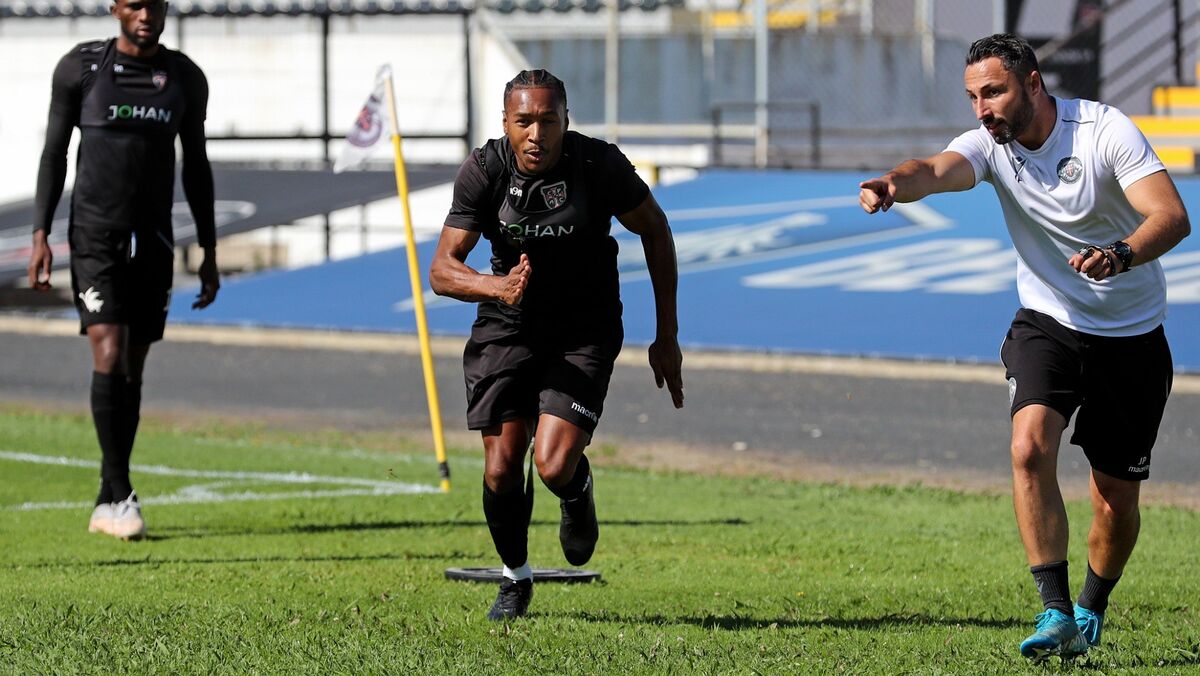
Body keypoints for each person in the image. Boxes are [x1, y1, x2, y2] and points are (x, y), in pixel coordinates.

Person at [860, 33, 1190, 661]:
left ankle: (1092, 604)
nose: (982, 109)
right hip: (1049, 321)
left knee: (1115, 501)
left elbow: (1170, 216)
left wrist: (1120, 255)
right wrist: (893, 183)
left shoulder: (1103, 130)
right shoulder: (989, 145)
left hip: (1131, 335)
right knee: (1028, 443)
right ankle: (1055, 609)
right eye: (973, 97)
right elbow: (933, 170)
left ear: (1033, 84)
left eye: (994, 92)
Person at [430, 69, 684, 621]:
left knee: (550, 464)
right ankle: (515, 579)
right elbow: (442, 271)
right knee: (500, 468)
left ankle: (576, 489)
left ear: (567, 121)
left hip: (583, 328)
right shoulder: (484, 170)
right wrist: (495, 287)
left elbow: (656, 230)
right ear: (506, 123)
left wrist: (667, 335)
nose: (536, 134)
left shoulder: (598, 164)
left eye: (548, 120)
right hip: (508, 324)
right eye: (524, 121)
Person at [28, 0, 220, 540]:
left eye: (155, 5)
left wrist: (208, 250)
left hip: (154, 240)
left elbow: (197, 167)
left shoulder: (184, 77)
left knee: (133, 367)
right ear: (115, 8)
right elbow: (53, 154)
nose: (146, 14)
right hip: (94, 236)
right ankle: (122, 491)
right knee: (108, 350)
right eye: (135, 4)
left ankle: (109, 494)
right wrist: (40, 234)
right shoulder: (81, 69)